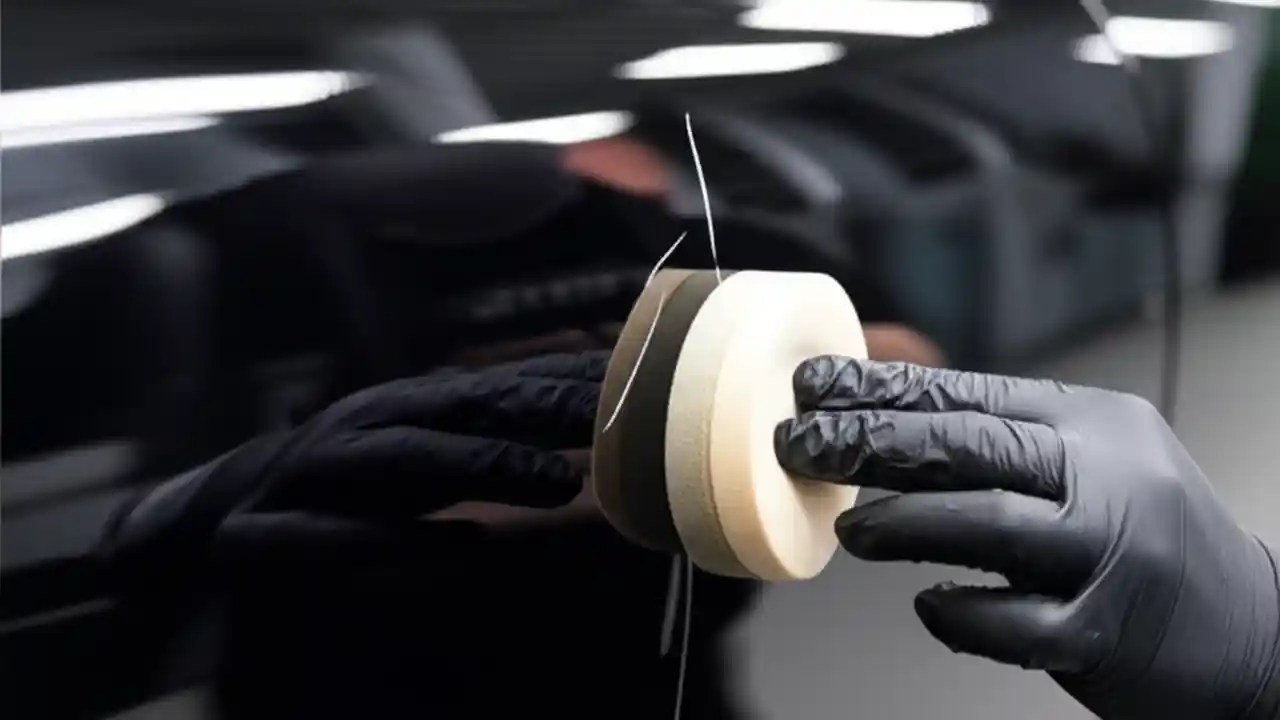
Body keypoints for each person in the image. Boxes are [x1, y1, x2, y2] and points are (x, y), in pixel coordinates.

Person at [98, 348, 1280, 719]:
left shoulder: (686, 213)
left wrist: (1266, 668)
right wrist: (160, 529)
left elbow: (890, 352)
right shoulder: (242, 239)